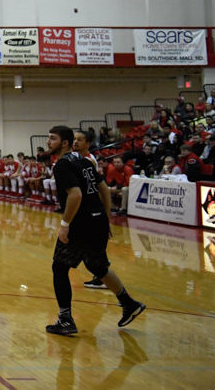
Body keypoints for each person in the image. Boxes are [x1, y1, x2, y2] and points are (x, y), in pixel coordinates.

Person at [44, 125, 146, 336]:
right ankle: (128, 303)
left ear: (64, 143)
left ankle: (65, 319)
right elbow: (104, 189)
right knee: (97, 265)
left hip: (80, 225)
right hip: (97, 221)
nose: (48, 142)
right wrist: (105, 217)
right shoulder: (84, 161)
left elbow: (75, 195)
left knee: (60, 268)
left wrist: (65, 225)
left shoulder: (62, 165)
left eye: (52, 138)